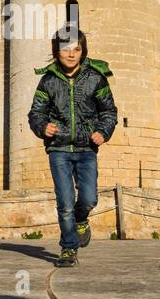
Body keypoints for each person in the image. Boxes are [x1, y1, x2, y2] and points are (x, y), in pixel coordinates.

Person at [28, 27, 118, 268]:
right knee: (65, 202)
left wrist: (103, 132)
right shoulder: (47, 81)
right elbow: (36, 113)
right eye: (65, 49)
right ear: (56, 52)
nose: (70, 54)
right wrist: (42, 127)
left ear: (83, 51)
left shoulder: (95, 77)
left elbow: (108, 111)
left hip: (86, 148)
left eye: (76, 49)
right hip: (58, 150)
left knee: (88, 199)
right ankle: (68, 248)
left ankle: (82, 219)